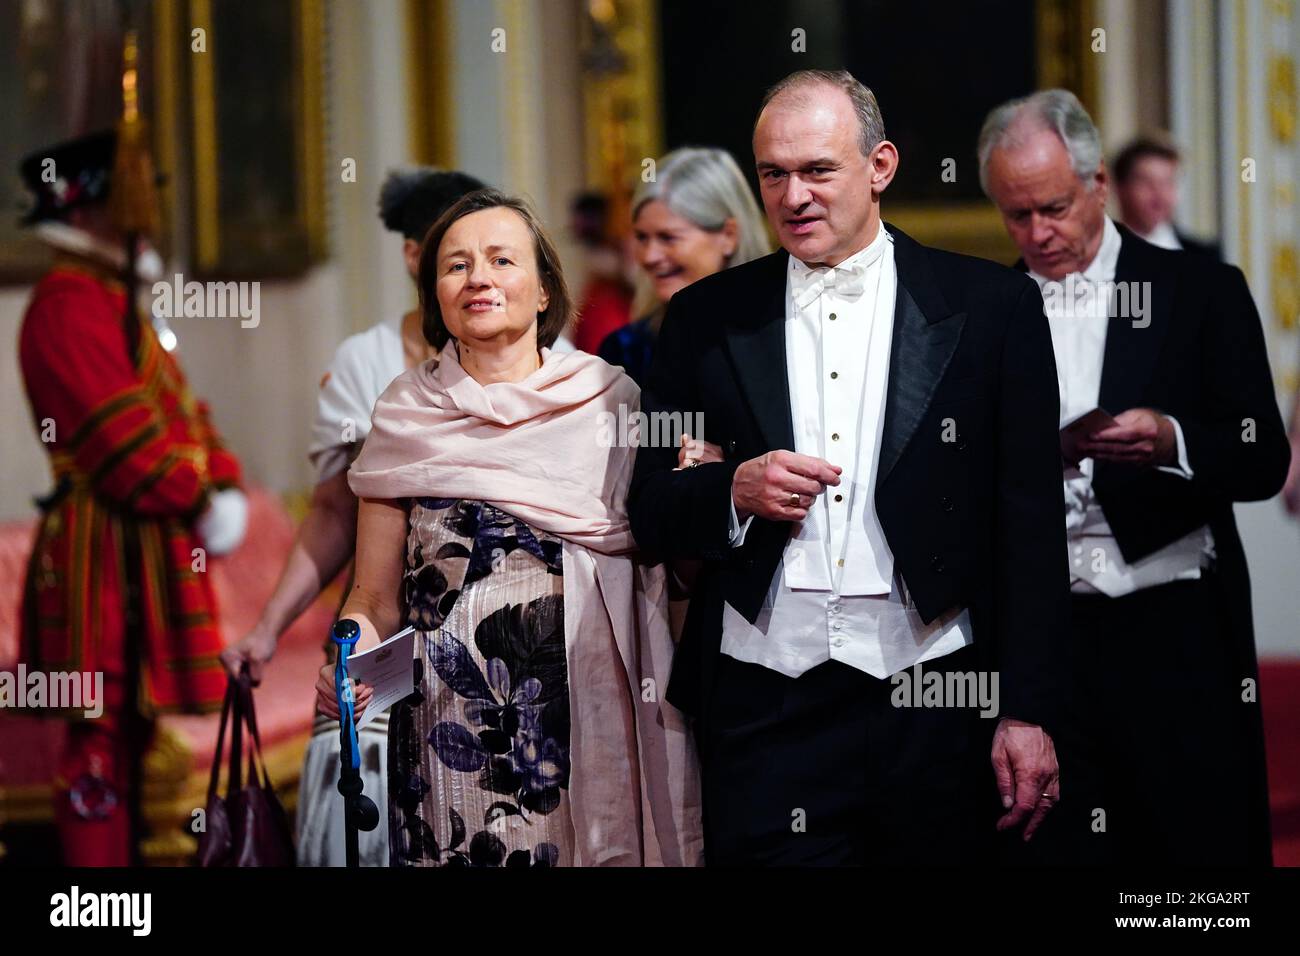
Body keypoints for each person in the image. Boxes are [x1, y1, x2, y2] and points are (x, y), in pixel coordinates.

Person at [627, 69, 1070, 866]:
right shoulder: (705, 319)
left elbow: (1031, 525)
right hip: (765, 705)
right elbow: (649, 505)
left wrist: (1028, 711)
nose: (793, 195)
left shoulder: (991, 308)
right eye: (773, 174)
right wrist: (731, 490)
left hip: (934, 695)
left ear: (881, 166)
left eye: (818, 170)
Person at [315, 188, 701, 867]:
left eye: (501, 259)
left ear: (545, 290)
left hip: (588, 727)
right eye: (457, 265)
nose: (480, 278)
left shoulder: (611, 402)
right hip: (445, 740)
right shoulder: (403, 415)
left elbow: (668, 575)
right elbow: (373, 597)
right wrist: (348, 653)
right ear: (435, 293)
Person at [979, 89, 1289, 864]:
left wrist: (1172, 439)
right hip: (1048, 639)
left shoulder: (1201, 292)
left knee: (1192, 857)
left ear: (1097, 185)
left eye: (1052, 208)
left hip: (1174, 624)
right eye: (1015, 216)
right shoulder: (984, 312)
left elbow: (1261, 458)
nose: (1037, 234)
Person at [220, 167, 484, 866]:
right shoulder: (365, 363)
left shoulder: (528, 358)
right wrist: (267, 630)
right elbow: (336, 511)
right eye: (453, 251)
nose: (474, 270)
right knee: (367, 825)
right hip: (384, 625)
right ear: (413, 255)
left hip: (492, 632)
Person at [17, 130, 246, 866]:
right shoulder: (65, 305)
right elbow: (124, 448)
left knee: (133, 733)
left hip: (138, 553)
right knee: (95, 737)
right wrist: (200, 488)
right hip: (95, 558)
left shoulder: (114, 302)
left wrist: (223, 477)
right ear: (87, 215)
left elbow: (187, 414)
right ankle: (100, 907)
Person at [598, 147, 771, 386]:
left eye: (668, 237)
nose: (650, 256)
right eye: (641, 237)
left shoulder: (780, 335)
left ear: (728, 236)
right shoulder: (626, 351)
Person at [1112, 135, 1221, 259]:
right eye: (1146, 181)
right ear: (1120, 189)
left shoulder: (1206, 256)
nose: (1159, 193)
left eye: (1167, 182)